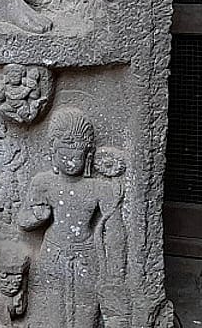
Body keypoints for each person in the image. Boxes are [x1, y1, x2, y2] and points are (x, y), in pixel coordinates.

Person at [19, 108, 127, 328]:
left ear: (88, 155)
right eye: (64, 155)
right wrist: (36, 217)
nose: (70, 161)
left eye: (76, 156)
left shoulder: (100, 188)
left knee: (86, 315)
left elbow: (115, 231)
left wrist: (117, 271)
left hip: (88, 256)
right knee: (54, 315)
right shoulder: (43, 182)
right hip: (53, 254)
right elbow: (23, 220)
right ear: (52, 151)